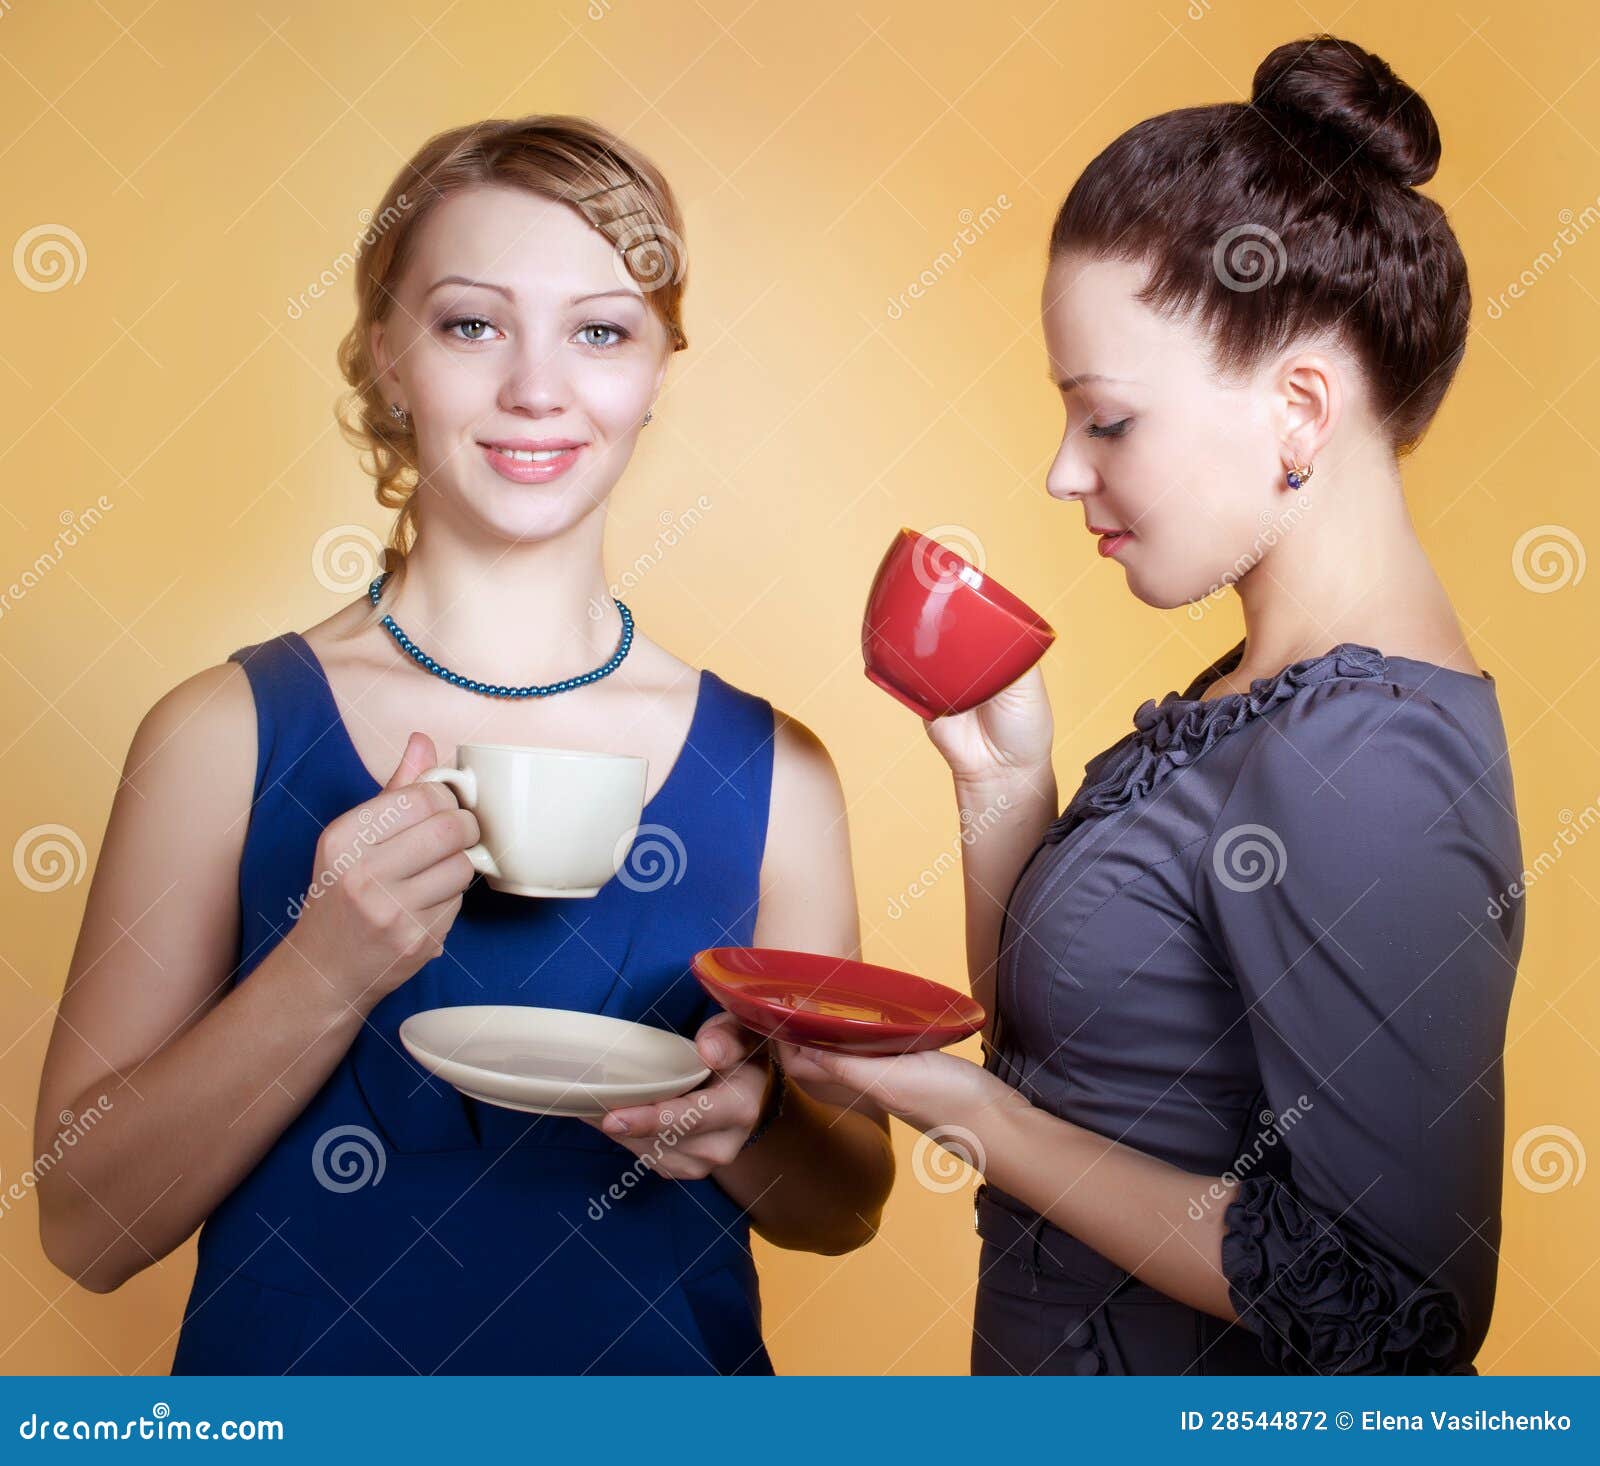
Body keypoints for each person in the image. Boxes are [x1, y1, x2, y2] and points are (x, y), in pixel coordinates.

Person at [34, 115, 893, 1375]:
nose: (536, 387)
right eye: (471, 323)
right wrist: (322, 970)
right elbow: (80, 1225)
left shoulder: (779, 772)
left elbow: (848, 1205)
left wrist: (750, 1125)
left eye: (599, 330)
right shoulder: (219, 734)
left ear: (659, 368)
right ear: (387, 354)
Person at [779, 35, 1525, 1375]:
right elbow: (1073, 1070)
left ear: (1301, 408)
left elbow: (1389, 1309)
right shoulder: (1252, 699)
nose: (1064, 471)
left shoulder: (1369, 758)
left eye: (1107, 419)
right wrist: (1004, 780)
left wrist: (964, 1118)